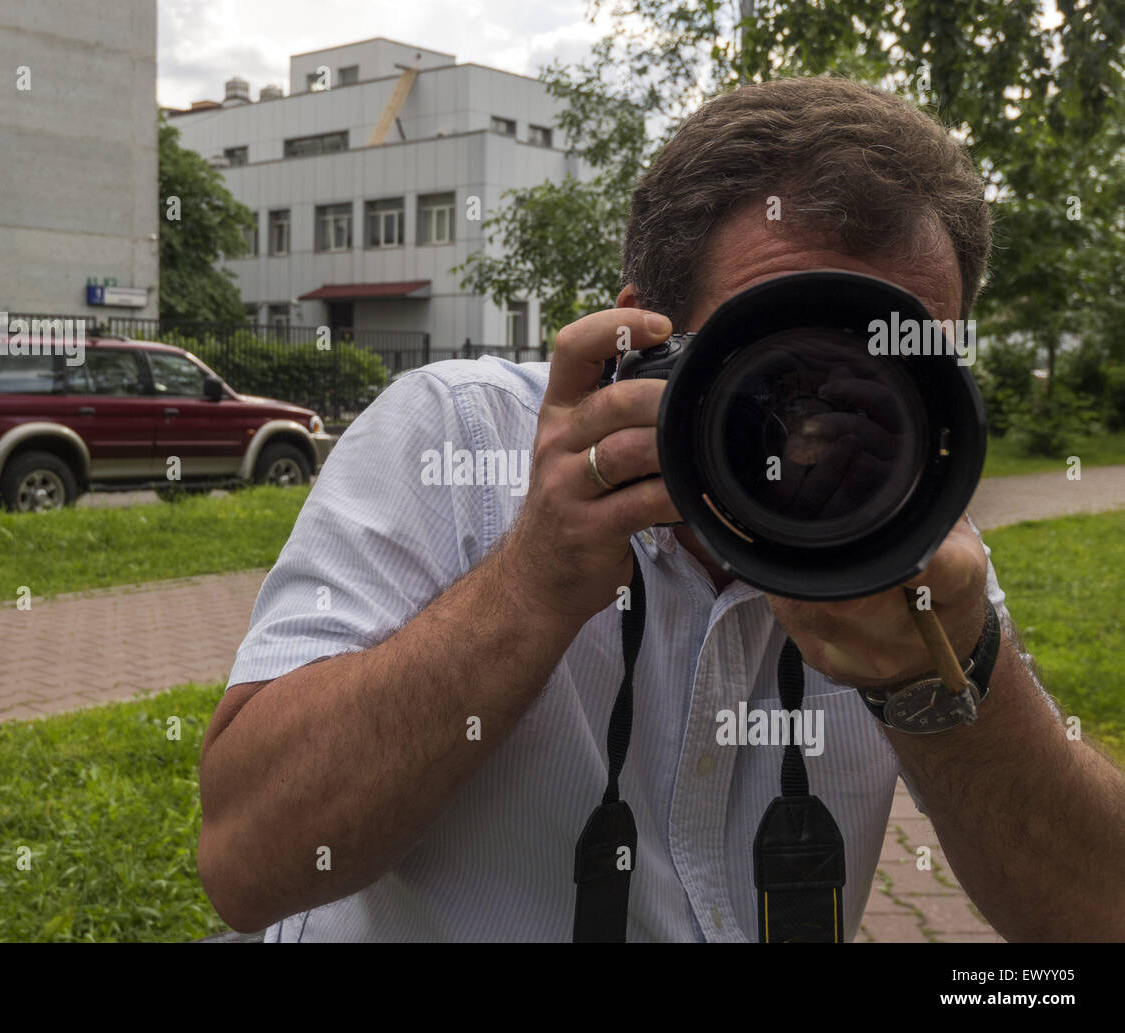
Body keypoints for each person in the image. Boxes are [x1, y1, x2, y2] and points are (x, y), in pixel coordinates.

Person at [198, 76, 1125, 942]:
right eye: (781, 367)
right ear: (638, 342)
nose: (829, 427)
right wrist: (535, 580)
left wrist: (947, 679)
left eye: (892, 369)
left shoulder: (912, 526)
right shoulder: (460, 435)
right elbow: (249, 865)